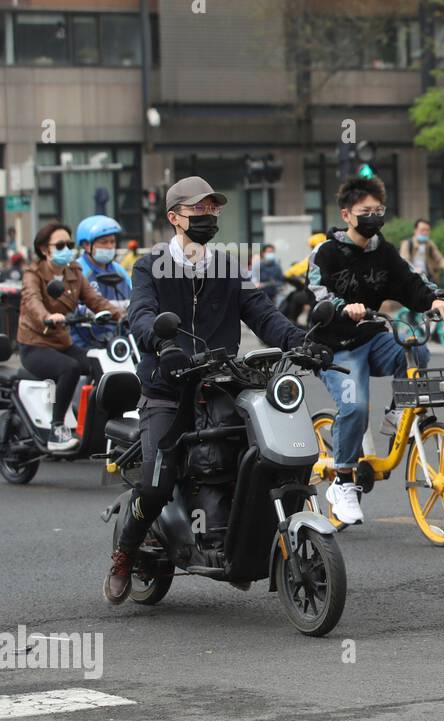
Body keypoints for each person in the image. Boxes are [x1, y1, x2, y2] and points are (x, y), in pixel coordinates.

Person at [103, 176, 321, 604]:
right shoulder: (149, 265)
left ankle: (237, 544)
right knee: (155, 487)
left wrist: (303, 342)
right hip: (167, 390)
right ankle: (125, 554)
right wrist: (164, 345)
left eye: (213, 210)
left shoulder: (227, 265)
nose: (208, 217)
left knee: (258, 460)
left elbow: (262, 313)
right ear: (174, 217)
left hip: (223, 386)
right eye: (197, 211)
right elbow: (141, 315)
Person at [309, 174, 444, 526]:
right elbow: (318, 292)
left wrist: (435, 299)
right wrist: (345, 306)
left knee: (416, 352)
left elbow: (410, 282)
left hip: (373, 337)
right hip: (335, 346)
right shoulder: (326, 252)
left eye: (378, 210)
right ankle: (343, 481)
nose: (374, 216)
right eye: (365, 210)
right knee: (355, 406)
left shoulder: (384, 251)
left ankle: (396, 413)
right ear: (346, 215)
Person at [16, 222, 125, 451]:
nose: (66, 248)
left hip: (62, 343)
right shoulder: (33, 274)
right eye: (60, 245)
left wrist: (124, 316)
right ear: (46, 250)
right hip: (35, 345)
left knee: (102, 364)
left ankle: (104, 426)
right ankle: (57, 430)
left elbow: (96, 301)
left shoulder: (74, 272)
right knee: (70, 368)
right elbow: (32, 301)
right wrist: (48, 317)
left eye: (69, 244)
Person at [72, 214, 132, 348]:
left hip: (119, 342)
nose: (110, 246)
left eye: (112, 241)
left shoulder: (119, 270)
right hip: (85, 343)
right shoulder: (77, 270)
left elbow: (135, 297)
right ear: (87, 245)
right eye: (104, 242)